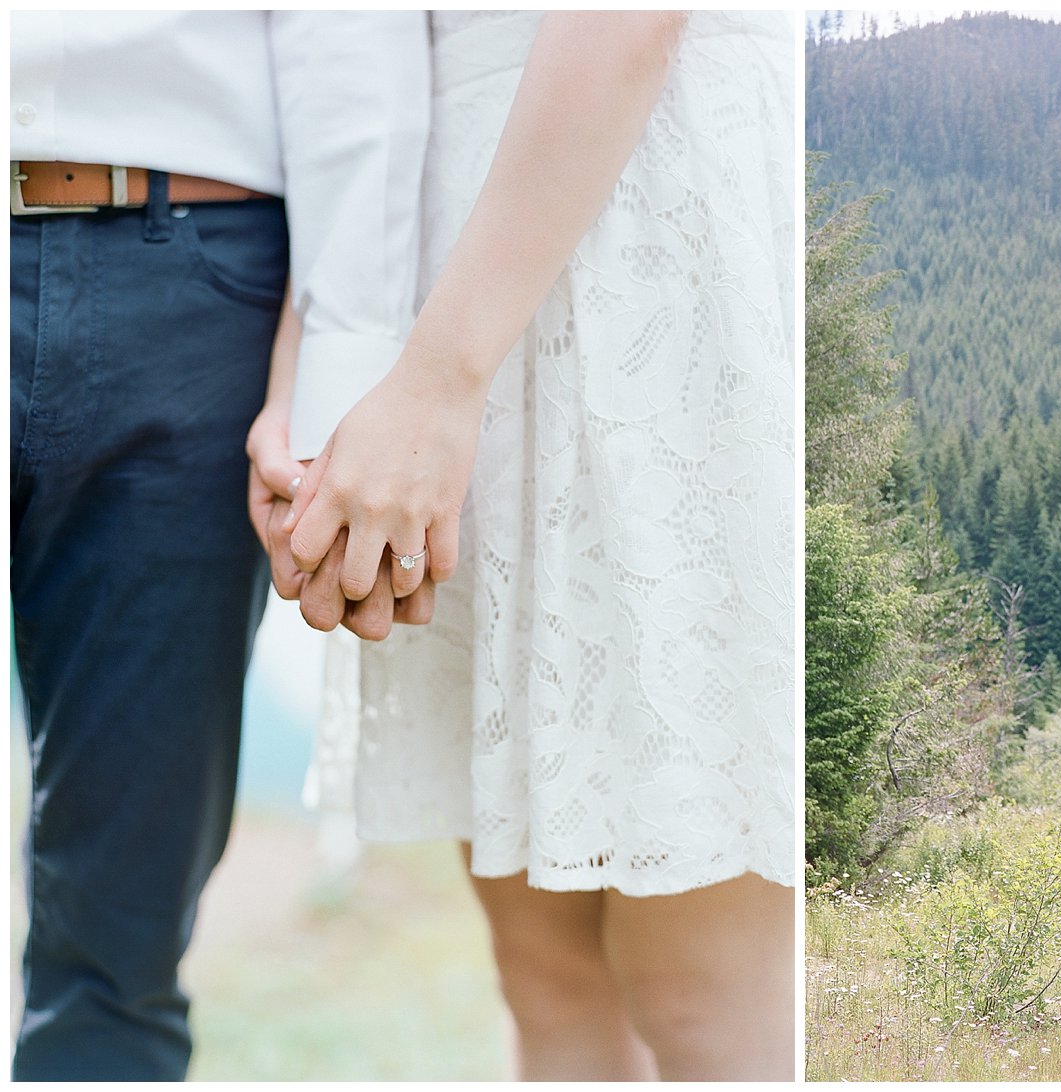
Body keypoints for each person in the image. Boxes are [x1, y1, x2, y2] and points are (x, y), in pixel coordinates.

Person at [264, 12, 795, 1080]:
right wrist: (305, 382)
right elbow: (347, 63)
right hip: (439, 267)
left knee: (700, 991)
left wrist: (435, 381)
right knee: (543, 970)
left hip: (634, 217)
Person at [9, 12, 428, 1079]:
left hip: (187, 281)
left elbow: (348, 38)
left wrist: (339, 380)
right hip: (187, 269)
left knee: (114, 939)